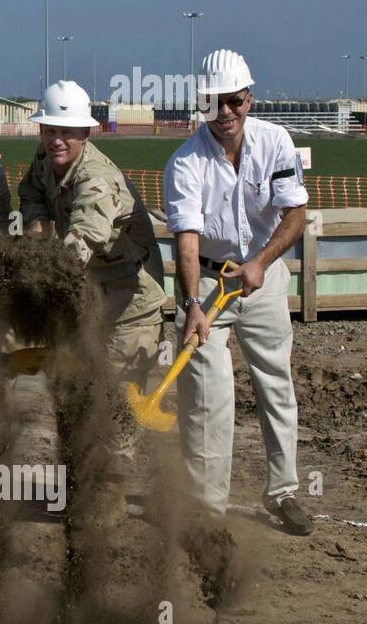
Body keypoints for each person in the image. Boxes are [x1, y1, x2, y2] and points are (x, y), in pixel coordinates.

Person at [164, 49, 312, 535]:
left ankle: (284, 491)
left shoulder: (276, 141)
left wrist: (260, 264)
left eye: (235, 100)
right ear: (200, 104)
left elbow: (294, 214)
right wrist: (191, 305)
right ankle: (207, 512)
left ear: (250, 97)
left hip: (263, 278)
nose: (225, 112)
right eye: (213, 103)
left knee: (275, 383)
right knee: (208, 396)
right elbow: (185, 238)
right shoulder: (184, 163)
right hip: (207, 281)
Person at [18, 80, 168, 516]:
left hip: (129, 302)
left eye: (68, 132)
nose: (57, 139)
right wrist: (37, 225)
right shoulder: (46, 160)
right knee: (72, 390)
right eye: (50, 130)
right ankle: (75, 485)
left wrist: (39, 283)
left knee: (120, 400)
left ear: (87, 134)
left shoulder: (97, 181)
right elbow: (30, 193)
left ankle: (108, 496)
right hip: (85, 296)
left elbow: (80, 241)